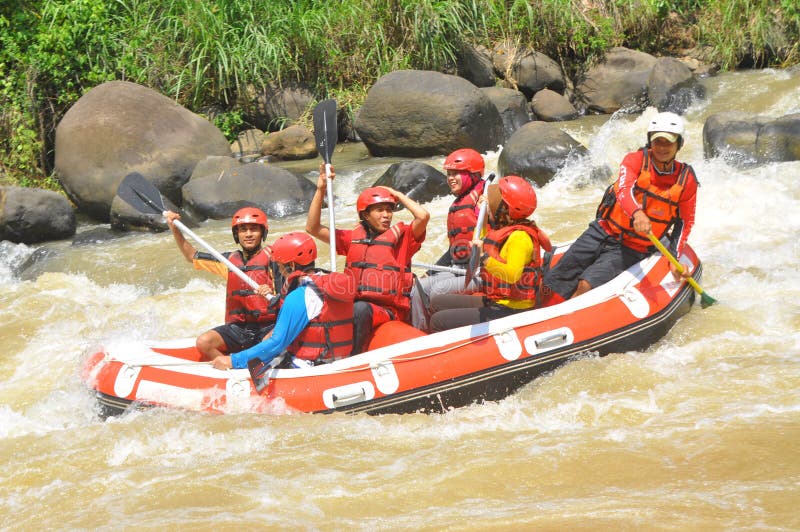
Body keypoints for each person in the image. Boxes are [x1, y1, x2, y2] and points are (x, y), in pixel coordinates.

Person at [541, 111, 698, 303]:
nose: (662, 147)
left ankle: (564, 318)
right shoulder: (635, 160)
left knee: (585, 286)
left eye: (669, 142)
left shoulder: (686, 179)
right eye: (658, 141)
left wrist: (673, 258)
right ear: (650, 141)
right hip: (602, 230)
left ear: (679, 144)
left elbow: (685, 222)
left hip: (632, 248)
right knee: (553, 281)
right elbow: (624, 191)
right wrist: (637, 213)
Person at [306, 165, 430, 353]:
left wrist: (396, 193)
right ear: (365, 214)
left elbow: (423, 216)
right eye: (380, 210)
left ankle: (351, 358)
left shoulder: (403, 238)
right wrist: (321, 188)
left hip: (389, 311)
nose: (386, 215)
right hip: (357, 305)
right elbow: (312, 228)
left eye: (389, 210)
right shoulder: (352, 238)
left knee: (361, 309)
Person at [209, 232, 355, 370]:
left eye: (279, 266)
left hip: (309, 366)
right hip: (336, 360)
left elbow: (277, 343)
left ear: (290, 266)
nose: (279, 269)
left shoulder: (300, 295)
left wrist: (233, 361)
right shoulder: (326, 282)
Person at [429, 175, 552, 332]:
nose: (490, 200)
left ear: (505, 208)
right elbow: (483, 240)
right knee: (438, 302)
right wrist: (485, 213)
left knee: (438, 321)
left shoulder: (520, 237)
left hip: (512, 309)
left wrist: (483, 258)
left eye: (495, 198)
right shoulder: (503, 230)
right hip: (497, 300)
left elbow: (512, 274)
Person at [165, 207, 277, 361]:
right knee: (204, 342)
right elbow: (191, 256)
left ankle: (246, 363)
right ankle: (231, 367)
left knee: (269, 344)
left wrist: (271, 291)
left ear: (262, 233)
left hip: (268, 327)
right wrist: (175, 228)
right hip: (238, 329)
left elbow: (289, 293)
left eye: (254, 229)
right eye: (243, 230)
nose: (249, 234)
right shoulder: (228, 262)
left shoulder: (275, 259)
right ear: (237, 234)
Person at [409, 148, 487, 330]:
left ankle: (445, 328)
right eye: (449, 174)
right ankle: (420, 332)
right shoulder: (459, 203)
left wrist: (488, 208)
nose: (450, 178)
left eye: (456, 174)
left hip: (480, 271)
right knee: (419, 287)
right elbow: (455, 248)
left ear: (473, 175)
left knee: (438, 291)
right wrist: (430, 272)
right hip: (458, 268)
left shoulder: (485, 201)